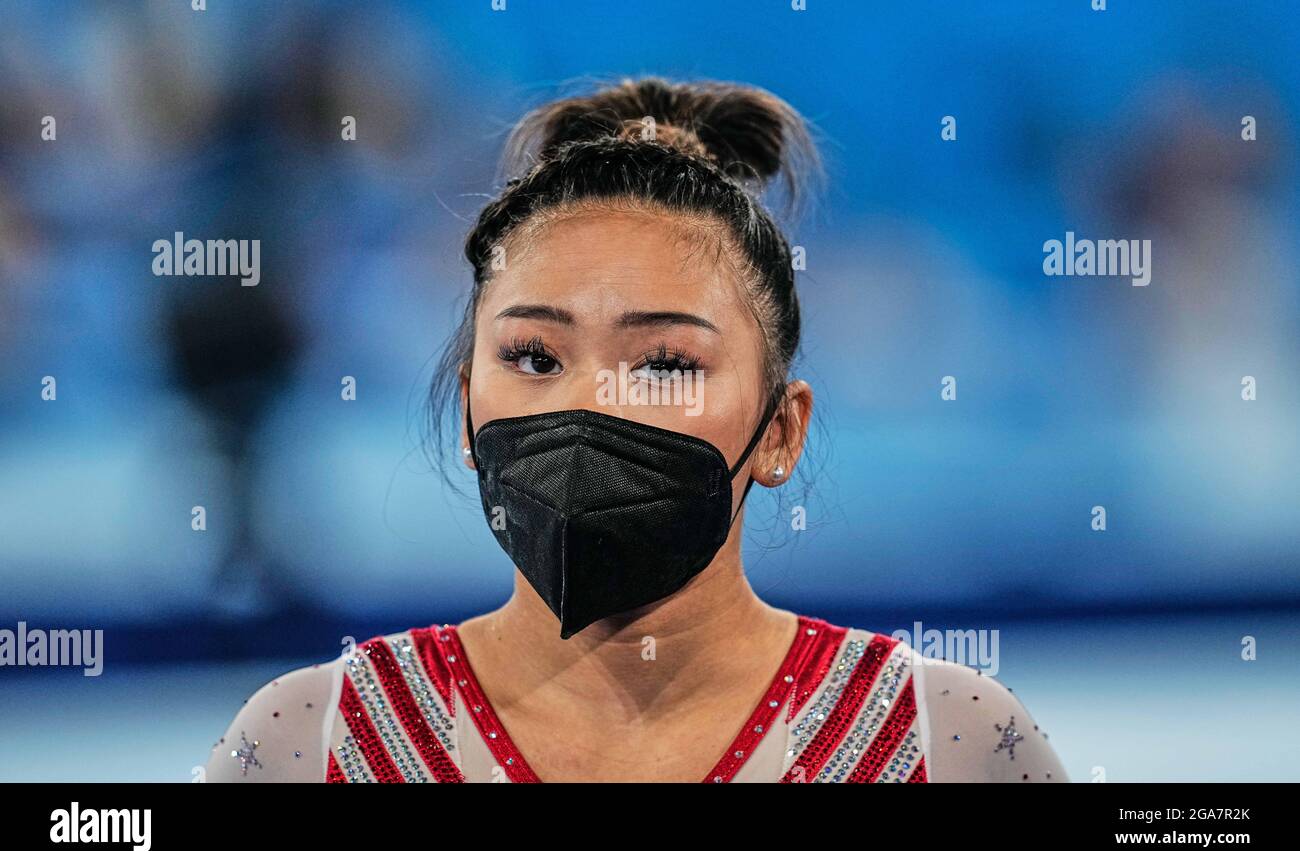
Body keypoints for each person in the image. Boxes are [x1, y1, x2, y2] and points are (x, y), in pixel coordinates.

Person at [205, 78, 1065, 783]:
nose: (592, 403)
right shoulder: (307, 744)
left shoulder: (948, 741)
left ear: (781, 431)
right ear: (469, 407)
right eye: (536, 357)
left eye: (664, 363)